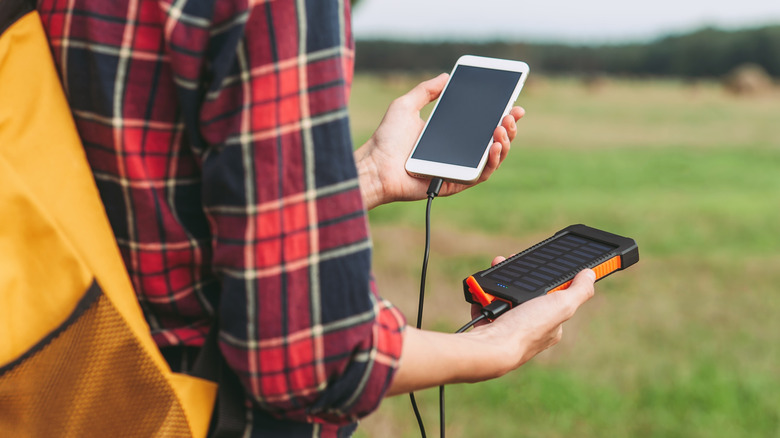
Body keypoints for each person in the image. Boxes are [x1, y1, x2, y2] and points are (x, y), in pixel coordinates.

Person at [36, 0, 595, 436]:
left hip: (69, 396)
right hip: (200, 418)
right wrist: (496, 346)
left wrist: (372, 175)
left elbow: (159, 212)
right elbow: (309, 353)